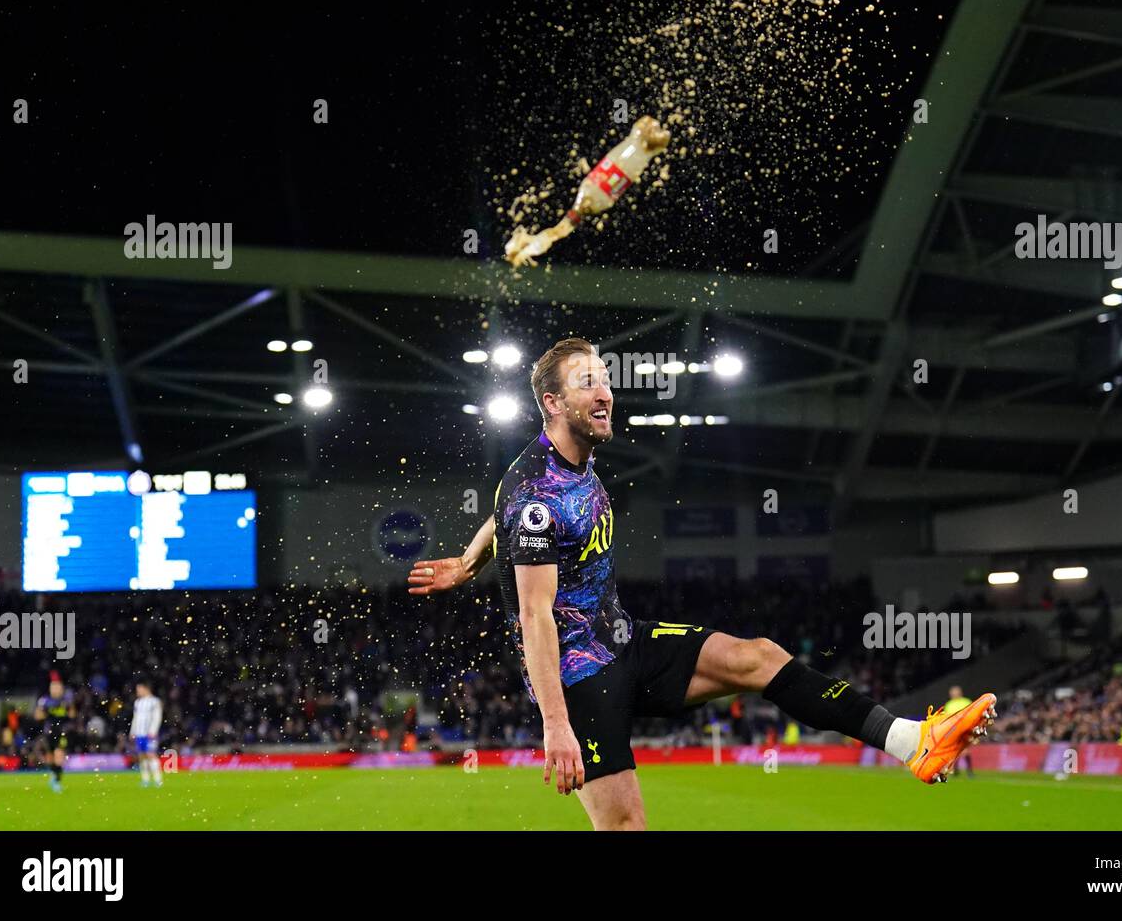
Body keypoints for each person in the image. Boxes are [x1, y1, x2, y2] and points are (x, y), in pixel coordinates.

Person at [410, 338, 995, 830]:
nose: (606, 392)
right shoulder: (536, 496)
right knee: (627, 827)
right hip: (577, 679)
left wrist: (467, 562)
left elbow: (502, 515)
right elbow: (534, 615)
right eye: (588, 382)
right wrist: (556, 726)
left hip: (622, 640)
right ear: (552, 402)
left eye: (606, 379)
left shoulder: (563, 462)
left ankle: (910, 741)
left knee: (758, 656)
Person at [34, 671, 76, 793]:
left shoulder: (66, 700)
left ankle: (57, 781)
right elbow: (37, 716)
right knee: (50, 757)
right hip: (49, 731)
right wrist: (43, 711)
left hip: (62, 731)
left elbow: (72, 715)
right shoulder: (45, 701)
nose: (56, 689)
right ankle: (54, 776)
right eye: (54, 687)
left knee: (59, 755)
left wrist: (70, 706)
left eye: (58, 687)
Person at [131, 678, 164, 788]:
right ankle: (145, 780)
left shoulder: (155, 701)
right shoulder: (137, 702)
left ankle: (158, 780)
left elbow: (157, 717)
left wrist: (153, 731)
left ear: (146, 689)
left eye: (139, 689)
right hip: (139, 733)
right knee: (142, 756)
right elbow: (135, 718)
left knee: (151, 754)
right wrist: (133, 731)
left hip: (150, 734)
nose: (137, 692)